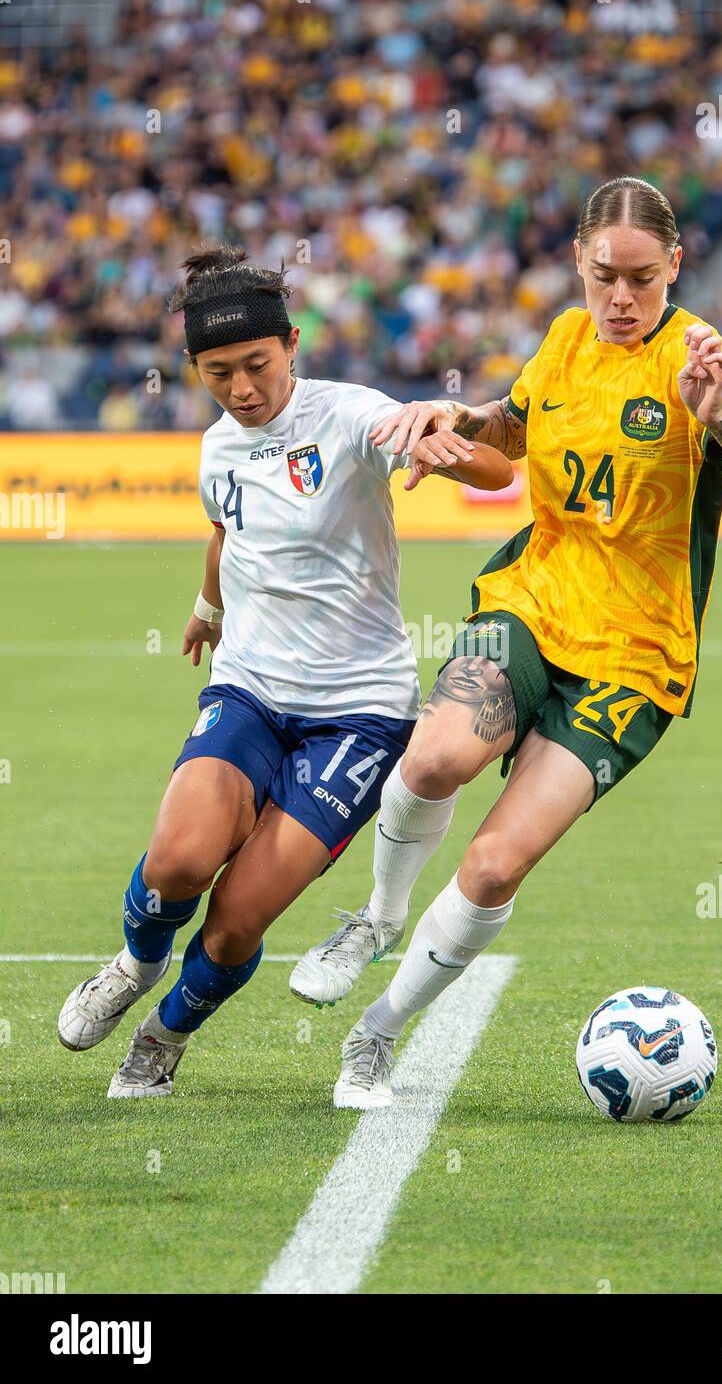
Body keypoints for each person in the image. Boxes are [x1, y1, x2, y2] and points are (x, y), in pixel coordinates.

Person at [289, 176, 722, 1108]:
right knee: (436, 754)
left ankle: (378, 1032)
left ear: (674, 267)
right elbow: (513, 431)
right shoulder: (564, 338)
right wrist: (451, 419)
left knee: (491, 865)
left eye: (642, 278)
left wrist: (715, 414)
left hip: (634, 658)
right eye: (605, 276)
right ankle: (374, 917)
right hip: (536, 598)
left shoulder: (697, 358)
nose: (621, 298)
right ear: (577, 262)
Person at [56, 244, 512, 1098]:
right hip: (251, 689)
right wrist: (208, 610)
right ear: (194, 368)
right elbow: (228, 534)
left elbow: (497, 470)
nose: (242, 388)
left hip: (361, 714)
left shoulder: (353, 418)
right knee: (178, 864)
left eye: (257, 365)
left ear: (292, 345)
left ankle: (163, 1037)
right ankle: (132, 965)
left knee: (233, 926)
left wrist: (451, 440)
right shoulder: (216, 450)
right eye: (218, 372)